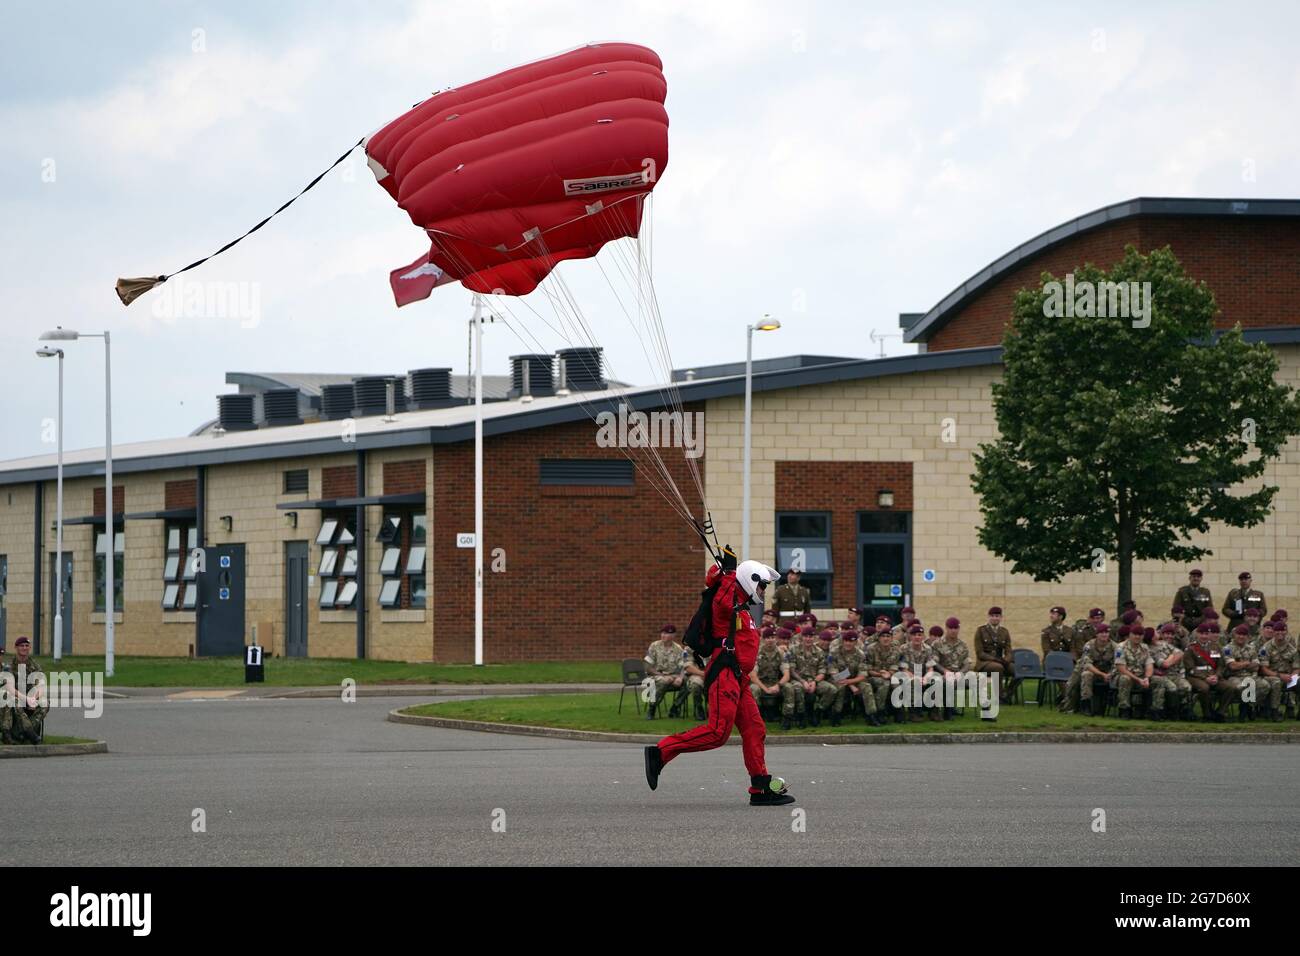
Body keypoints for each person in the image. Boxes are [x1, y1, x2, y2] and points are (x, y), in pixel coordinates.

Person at [646, 555, 795, 806]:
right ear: (749, 581)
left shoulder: (743, 608)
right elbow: (720, 597)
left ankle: (760, 787)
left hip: (738, 677)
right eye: (761, 585)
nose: (763, 590)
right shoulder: (727, 599)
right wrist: (728, 573)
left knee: (755, 728)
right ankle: (661, 752)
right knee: (717, 733)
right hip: (725, 673)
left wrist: (728, 573)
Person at [751, 627, 802, 730]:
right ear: (763, 639)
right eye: (768, 637)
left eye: (773, 637)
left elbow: (786, 674)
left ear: (776, 639)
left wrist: (778, 685)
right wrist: (765, 688)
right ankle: (755, 719)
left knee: (788, 687)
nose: (770, 640)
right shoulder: (756, 652)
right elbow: (752, 676)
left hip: (776, 682)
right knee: (753, 689)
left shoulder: (781, 653)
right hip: (760, 683)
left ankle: (787, 718)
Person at [0, 636, 47, 745]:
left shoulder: (34, 665)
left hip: (30, 697)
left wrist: (34, 699)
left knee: (45, 703)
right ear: (16, 647)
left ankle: (22, 732)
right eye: (22, 646)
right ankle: (30, 733)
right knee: (14, 701)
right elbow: (10, 688)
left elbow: (41, 685)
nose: (24, 648)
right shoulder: (9, 666)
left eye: (27, 646)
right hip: (16, 697)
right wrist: (26, 699)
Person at [825, 629, 873, 726]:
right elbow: (834, 674)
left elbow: (863, 675)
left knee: (866, 686)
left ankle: (871, 715)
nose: (848, 643)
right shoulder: (834, 652)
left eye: (851, 641)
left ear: (855, 642)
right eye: (846, 641)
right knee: (841, 687)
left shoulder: (860, 654)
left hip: (854, 679)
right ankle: (836, 715)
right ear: (843, 641)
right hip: (837, 679)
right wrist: (851, 685)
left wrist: (850, 682)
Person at [790, 626, 833, 727]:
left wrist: (814, 681)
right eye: (806, 636)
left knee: (831, 689)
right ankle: (801, 716)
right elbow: (791, 670)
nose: (808, 639)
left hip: (814, 680)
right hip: (798, 680)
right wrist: (803, 681)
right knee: (798, 688)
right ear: (802, 637)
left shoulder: (819, 652)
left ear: (815, 638)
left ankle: (817, 712)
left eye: (811, 636)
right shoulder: (793, 650)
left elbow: (822, 670)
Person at [643, 624, 688, 719]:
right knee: (664, 681)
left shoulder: (678, 648)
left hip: (673, 675)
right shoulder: (654, 646)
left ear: (673, 636)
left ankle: (675, 708)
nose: (663, 635)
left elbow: (683, 666)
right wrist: (662, 675)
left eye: (667, 633)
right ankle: (652, 708)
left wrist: (680, 677)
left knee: (689, 682)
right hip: (656, 675)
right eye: (662, 633)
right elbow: (648, 667)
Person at [1185, 623, 1228, 722]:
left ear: (1209, 634)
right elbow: (1190, 668)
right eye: (1201, 634)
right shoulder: (1191, 648)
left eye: (1206, 634)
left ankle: (1220, 713)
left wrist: (1217, 676)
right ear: (1197, 634)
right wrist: (1205, 678)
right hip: (1196, 677)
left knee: (1230, 687)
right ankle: (1207, 714)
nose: (1204, 636)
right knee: (1204, 688)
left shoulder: (1216, 647)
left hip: (1213, 676)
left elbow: (1221, 665)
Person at [974, 607, 1018, 703]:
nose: (995, 618)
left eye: (997, 616)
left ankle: (1007, 694)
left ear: (1001, 617)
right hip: (984, 662)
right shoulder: (981, 630)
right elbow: (980, 653)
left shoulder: (1004, 632)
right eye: (992, 616)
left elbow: (1008, 650)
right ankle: (998, 697)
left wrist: (1007, 659)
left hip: (1000, 661)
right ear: (988, 617)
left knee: (1017, 671)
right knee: (998, 667)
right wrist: (996, 660)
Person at [932, 617, 971, 720]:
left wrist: (960, 673)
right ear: (946, 628)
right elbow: (934, 662)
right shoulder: (937, 644)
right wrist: (945, 671)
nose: (953, 630)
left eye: (956, 628)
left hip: (959, 674)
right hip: (943, 673)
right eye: (951, 628)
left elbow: (967, 663)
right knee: (947, 681)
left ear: (958, 629)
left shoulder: (963, 645)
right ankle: (948, 711)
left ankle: (987, 713)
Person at [1221, 625, 1264, 721]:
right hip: (1234, 677)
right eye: (1239, 634)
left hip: (1251, 676)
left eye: (1244, 635)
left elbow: (1256, 666)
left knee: (1265, 685)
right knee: (1243, 686)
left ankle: (1248, 706)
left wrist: (1240, 664)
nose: (1241, 637)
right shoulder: (1227, 649)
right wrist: (1247, 663)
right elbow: (1232, 666)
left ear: (1247, 636)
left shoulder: (1251, 648)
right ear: (1234, 635)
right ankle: (1245, 709)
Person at [1150, 624, 1192, 720]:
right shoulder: (1153, 647)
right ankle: (1169, 711)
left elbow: (1180, 653)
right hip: (1161, 675)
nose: (1169, 636)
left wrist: (1170, 659)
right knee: (1171, 688)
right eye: (1166, 634)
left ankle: (1183, 710)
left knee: (1186, 687)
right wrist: (1172, 657)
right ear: (1161, 634)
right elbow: (1164, 664)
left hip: (1175, 675)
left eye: (1171, 634)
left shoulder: (1169, 646)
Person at [1259, 621, 1298, 720]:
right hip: (1271, 676)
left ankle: (1294, 710)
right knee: (1276, 682)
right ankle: (1275, 711)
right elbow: (1264, 669)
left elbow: (1297, 668)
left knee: (1298, 681)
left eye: (1282, 630)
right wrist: (1280, 676)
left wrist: (1292, 677)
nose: (1280, 633)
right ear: (1273, 632)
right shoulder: (1266, 648)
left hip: (1288, 677)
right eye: (1277, 631)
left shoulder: (1292, 649)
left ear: (1286, 632)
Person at [898, 629, 939, 721]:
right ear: (910, 636)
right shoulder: (903, 648)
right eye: (914, 635)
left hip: (923, 676)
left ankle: (933, 711)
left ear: (923, 637)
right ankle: (914, 712)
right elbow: (903, 669)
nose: (917, 637)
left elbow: (930, 668)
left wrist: (925, 678)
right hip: (908, 675)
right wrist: (915, 677)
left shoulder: (928, 649)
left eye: (919, 635)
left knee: (936, 680)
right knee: (912, 682)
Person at [1115, 626, 1155, 719]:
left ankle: (1154, 710)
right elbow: (1121, 668)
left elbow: (1149, 664)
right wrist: (1138, 679)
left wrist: (1147, 678)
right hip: (1123, 676)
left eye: (1140, 635)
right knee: (1125, 679)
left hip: (1141, 677)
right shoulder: (1120, 648)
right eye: (1135, 634)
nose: (1137, 637)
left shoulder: (1145, 647)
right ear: (1130, 635)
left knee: (1158, 680)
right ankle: (1124, 709)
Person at [1077, 628, 1119, 716]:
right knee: (1086, 674)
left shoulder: (1116, 647)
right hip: (1094, 672)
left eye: (1106, 632)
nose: (1104, 635)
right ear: (1097, 634)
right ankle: (1086, 705)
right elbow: (1087, 664)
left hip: (1110, 673)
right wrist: (1101, 674)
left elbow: (1118, 663)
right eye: (1101, 632)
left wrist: (1110, 674)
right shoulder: (1089, 645)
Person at [863, 629, 902, 723]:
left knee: (897, 684)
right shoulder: (871, 649)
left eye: (888, 636)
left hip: (888, 675)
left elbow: (894, 666)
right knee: (885, 684)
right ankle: (880, 711)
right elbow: (868, 669)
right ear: (879, 638)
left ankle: (898, 712)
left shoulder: (896, 650)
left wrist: (889, 674)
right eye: (883, 636)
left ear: (892, 638)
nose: (885, 639)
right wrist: (880, 674)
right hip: (872, 676)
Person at [1222, 571, 1266, 636]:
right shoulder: (1233, 594)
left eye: (1246, 579)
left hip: (1253, 627)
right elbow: (1225, 609)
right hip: (1236, 624)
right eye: (1241, 579)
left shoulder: (1258, 594)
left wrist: (1254, 614)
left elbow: (1263, 610)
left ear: (1250, 580)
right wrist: (1234, 613)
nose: (1243, 581)